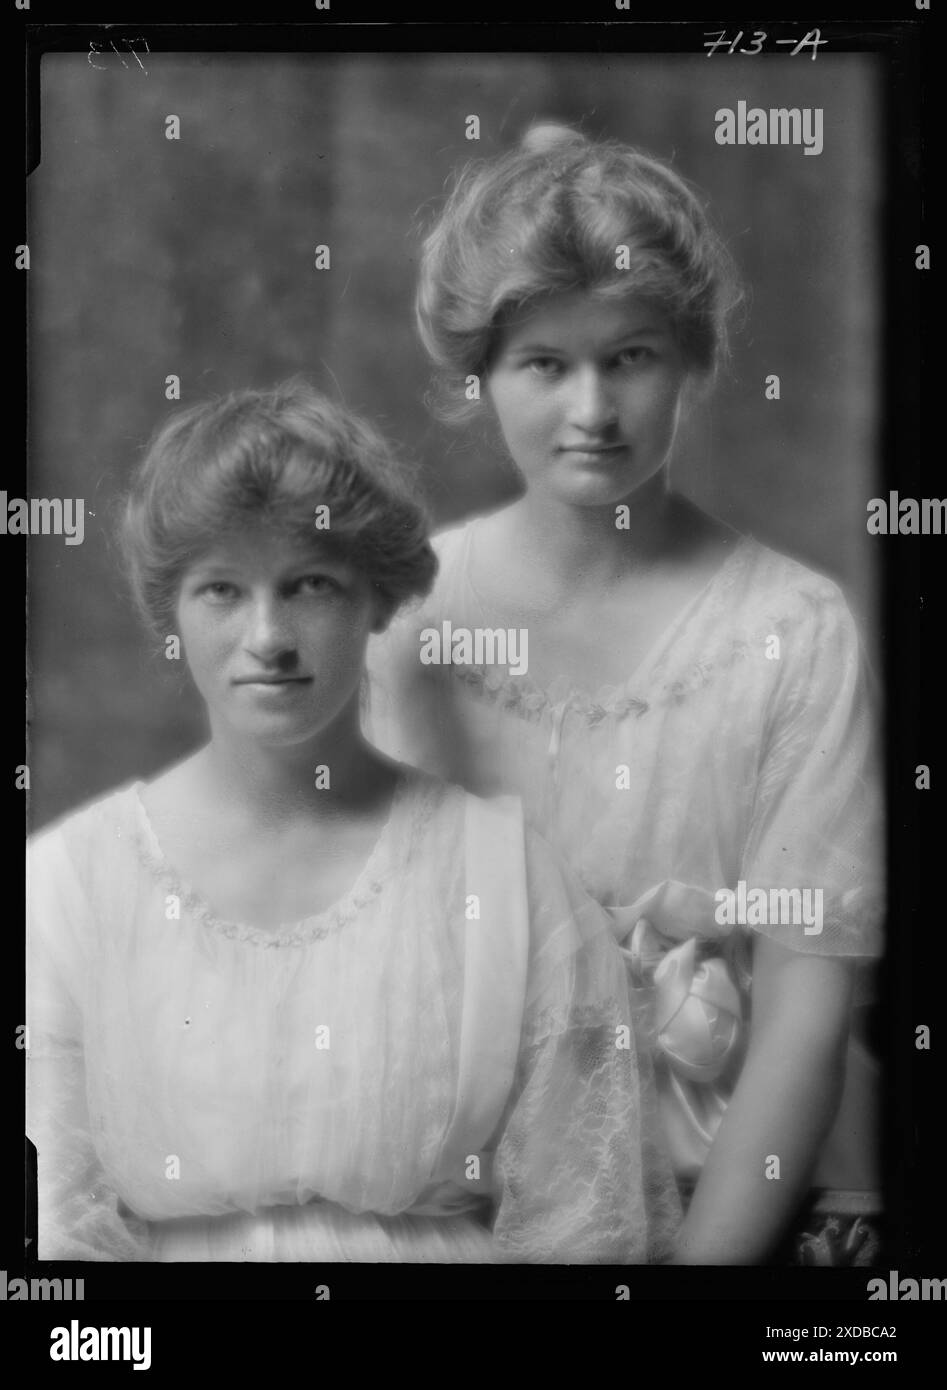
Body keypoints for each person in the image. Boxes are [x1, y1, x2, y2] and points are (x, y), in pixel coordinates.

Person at [366, 124, 885, 1265]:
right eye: (544, 363)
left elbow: (804, 1010)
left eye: (631, 357)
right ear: (479, 375)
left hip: (725, 1199)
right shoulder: (406, 613)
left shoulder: (788, 632)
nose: (591, 409)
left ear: (692, 362)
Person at [26, 380, 681, 1264]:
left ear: (376, 597)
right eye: (222, 590)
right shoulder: (68, 887)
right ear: (171, 616)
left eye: (309, 585)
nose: (268, 636)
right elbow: (54, 1243)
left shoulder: (504, 879)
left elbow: (584, 1232)